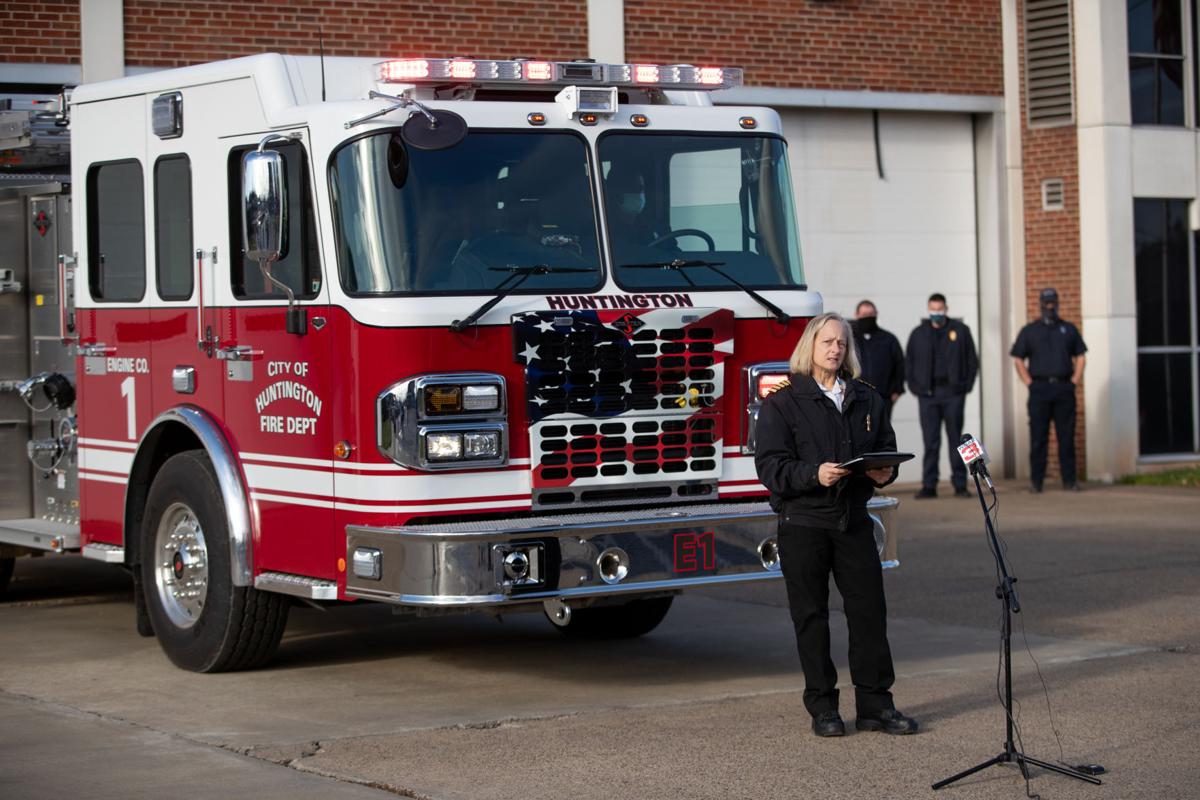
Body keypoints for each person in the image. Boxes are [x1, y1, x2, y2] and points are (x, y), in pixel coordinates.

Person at [754, 312, 918, 738]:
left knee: (869, 613)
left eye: (842, 343)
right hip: (804, 522)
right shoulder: (783, 402)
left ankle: (876, 706)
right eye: (827, 342)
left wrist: (885, 472)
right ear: (810, 345)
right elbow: (770, 467)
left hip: (853, 521)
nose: (835, 349)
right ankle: (823, 707)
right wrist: (814, 474)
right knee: (811, 617)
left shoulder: (866, 397)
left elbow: (885, 449)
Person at [1010, 288, 1088, 492]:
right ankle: (1037, 482)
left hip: (1064, 388)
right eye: (1047, 303)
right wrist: (1029, 382)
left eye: (1053, 302)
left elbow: (1081, 356)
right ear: (1041, 304)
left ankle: (1070, 481)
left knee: (1066, 437)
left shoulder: (1068, 329)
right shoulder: (1030, 331)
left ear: (1057, 303)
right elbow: (1017, 358)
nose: (1050, 306)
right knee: (1038, 438)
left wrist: (1074, 381)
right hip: (1039, 389)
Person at [905, 293, 978, 498]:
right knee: (931, 441)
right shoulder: (918, 334)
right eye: (933, 309)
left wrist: (965, 387)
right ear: (928, 310)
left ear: (946, 309)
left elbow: (972, 360)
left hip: (953, 394)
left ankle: (960, 484)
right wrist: (915, 387)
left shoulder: (961, 330)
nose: (936, 313)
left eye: (940, 309)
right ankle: (929, 485)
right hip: (928, 395)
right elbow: (909, 362)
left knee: (957, 439)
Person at [851, 300, 905, 434]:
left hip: (883, 398)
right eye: (864, 314)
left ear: (876, 314)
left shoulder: (888, 339)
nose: (868, 317)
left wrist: (896, 391)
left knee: (882, 434)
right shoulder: (850, 339)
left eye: (870, 314)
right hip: (856, 397)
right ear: (856, 315)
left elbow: (900, 365)